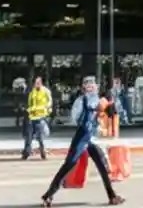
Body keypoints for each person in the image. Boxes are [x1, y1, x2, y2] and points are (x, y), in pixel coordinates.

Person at [40, 76, 124, 206]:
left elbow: (110, 113)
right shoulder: (81, 101)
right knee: (69, 164)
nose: (91, 86)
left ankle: (112, 196)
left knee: (102, 165)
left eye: (92, 84)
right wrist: (97, 108)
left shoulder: (98, 99)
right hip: (82, 137)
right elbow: (76, 117)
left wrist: (110, 103)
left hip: (90, 138)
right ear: (84, 87)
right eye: (87, 84)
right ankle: (48, 195)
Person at [22, 76, 52, 160]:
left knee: (40, 137)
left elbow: (49, 102)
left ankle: (43, 152)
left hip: (40, 117)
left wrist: (46, 109)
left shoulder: (45, 91)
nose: (36, 84)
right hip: (31, 116)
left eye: (38, 83)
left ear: (41, 83)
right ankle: (26, 152)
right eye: (35, 83)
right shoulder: (32, 91)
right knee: (29, 136)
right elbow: (29, 102)